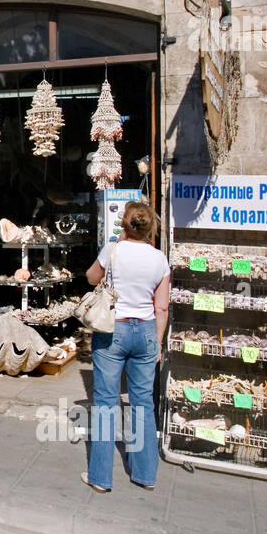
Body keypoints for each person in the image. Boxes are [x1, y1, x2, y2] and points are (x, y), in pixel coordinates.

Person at [81, 201, 170, 493]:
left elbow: (91, 278)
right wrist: (157, 342)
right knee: (143, 402)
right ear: (150, 227)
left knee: (106, 402)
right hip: (144, 330)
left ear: (125, 224)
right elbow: (163, 306)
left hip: (113, 329)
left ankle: (101, 478)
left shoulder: (113, 250)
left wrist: (113, 251)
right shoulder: (160, 259)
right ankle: (144, 474)